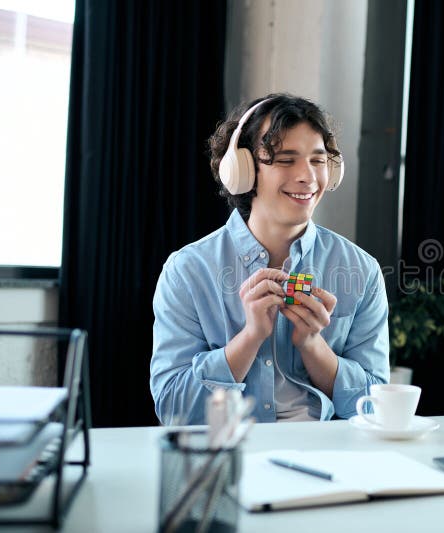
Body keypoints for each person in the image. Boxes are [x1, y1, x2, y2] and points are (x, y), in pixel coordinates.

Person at [150, 93, 390, 424]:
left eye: (318, 161)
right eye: (286, 159)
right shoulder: (188, 271)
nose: (308, 176)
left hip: (329, 459)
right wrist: (250, 338)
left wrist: (312, 346)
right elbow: (174, 409)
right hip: (229, 454)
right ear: (243, 171)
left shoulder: (360, 271)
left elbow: (377, 408)